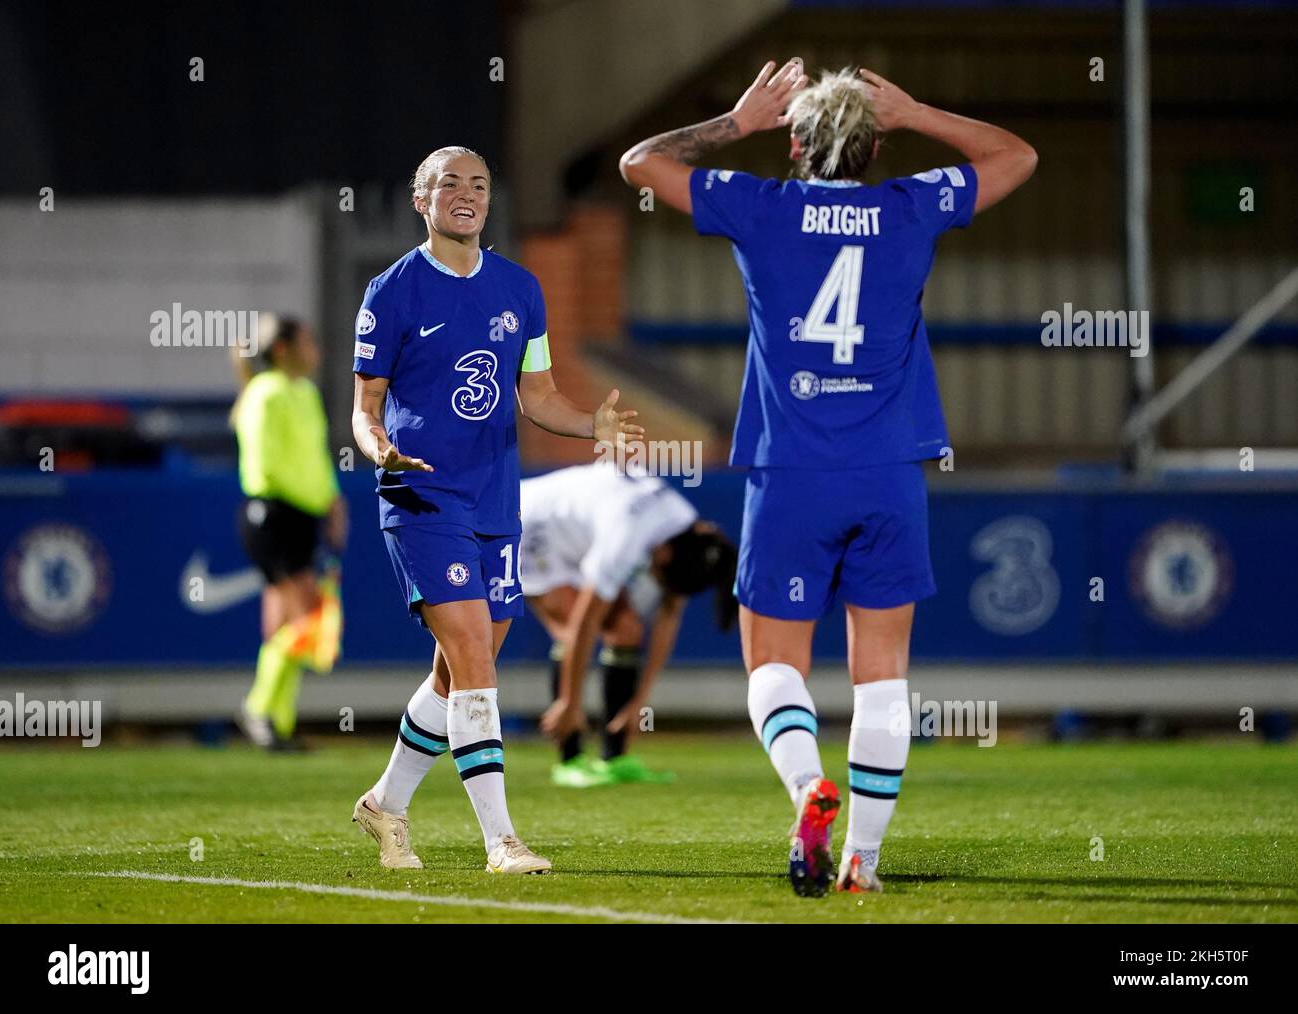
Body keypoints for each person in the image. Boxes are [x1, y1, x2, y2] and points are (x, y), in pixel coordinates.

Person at [619, 60, 1036, 895]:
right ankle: (863, 864)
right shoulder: (911, 206)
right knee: (883, 673)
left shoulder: (760, 206)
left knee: (773, 666)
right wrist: (920, 108)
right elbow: (1017, 157)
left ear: (798, 142)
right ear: (878, 145)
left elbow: (640, 162)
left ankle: (810, 787)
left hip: (791, 470)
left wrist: (739, 123)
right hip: (888, 474)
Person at [350, 146, 643, 873]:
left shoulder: (521, 289)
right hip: (422, 497)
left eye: (479, 184)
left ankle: (384, 806)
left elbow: (537, 396)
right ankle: (501, 841)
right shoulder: (391, 292)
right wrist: (378, 447)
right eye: (450, 183)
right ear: (422, 200)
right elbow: (363, 409)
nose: (467, 194)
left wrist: (590, 425)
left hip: (495, 504)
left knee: (456, 675)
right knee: (475, 657)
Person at [520, 462, 738, 786]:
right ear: (664, 559)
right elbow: (585, 623)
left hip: (575, 534)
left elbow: (669, 614)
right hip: (531, 524)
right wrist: (570, 701)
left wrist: (639, 701)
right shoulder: (625, 538)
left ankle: (615, 758)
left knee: (627, 630)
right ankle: (570, 758)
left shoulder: (685, 528)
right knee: (568, 630)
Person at [230, 314, 347, 751]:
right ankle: (259, 709)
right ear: (282, 350)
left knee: (284, 621)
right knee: (305, 619)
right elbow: (268, 467)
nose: (316, 348)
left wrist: (333, 500)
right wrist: (320, 499)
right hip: (273, 513)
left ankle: (277, 723)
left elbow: (313, 458)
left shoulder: (304, 393)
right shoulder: (264, 395)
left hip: (300, 516)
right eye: (307, 340)